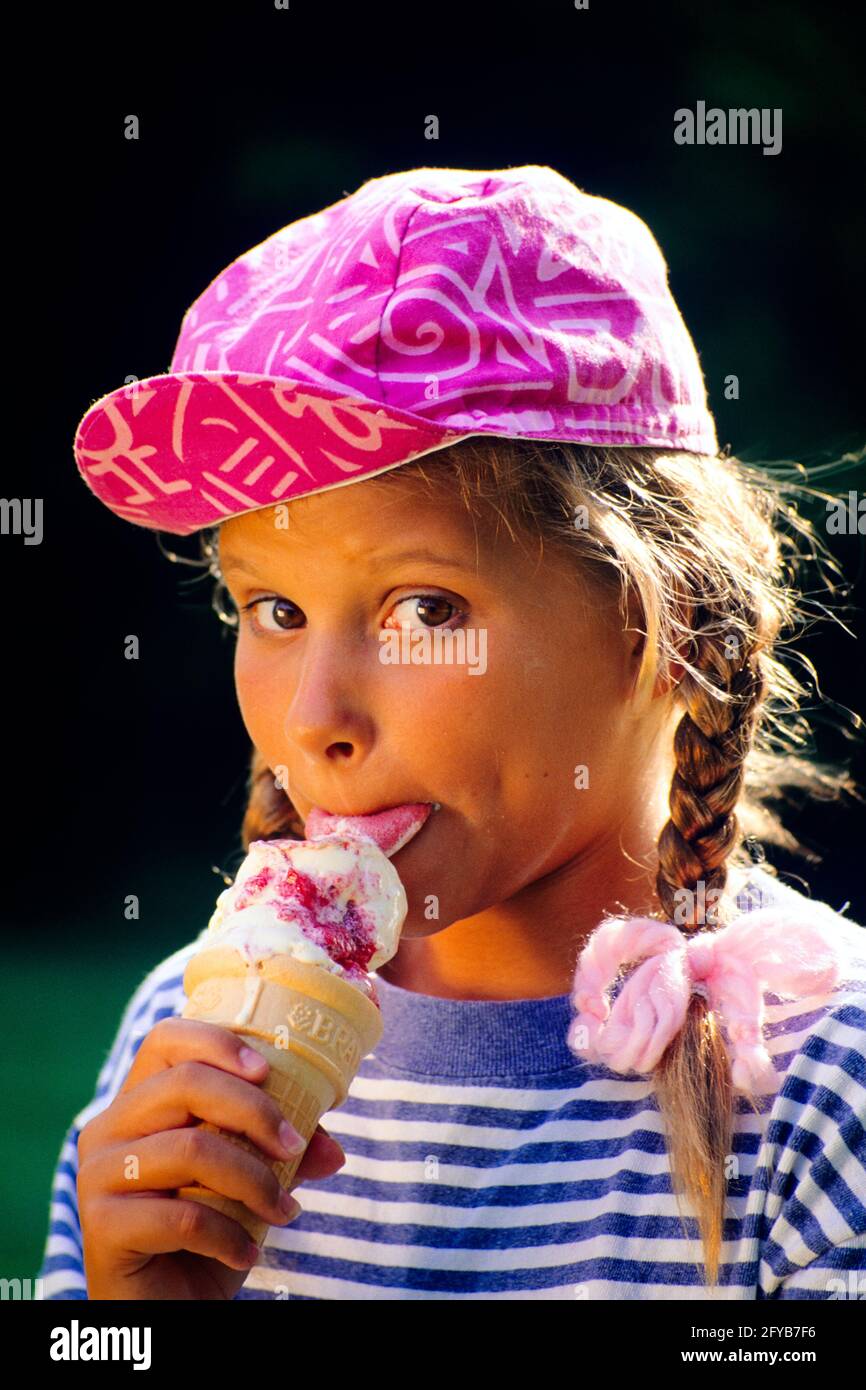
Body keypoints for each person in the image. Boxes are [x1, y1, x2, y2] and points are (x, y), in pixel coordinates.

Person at [39, 165, 865, 1299]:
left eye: (422, 609)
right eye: (272, 609)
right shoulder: (178, 1044)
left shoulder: (821, 1081)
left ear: (665, 619)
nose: (312, 716)